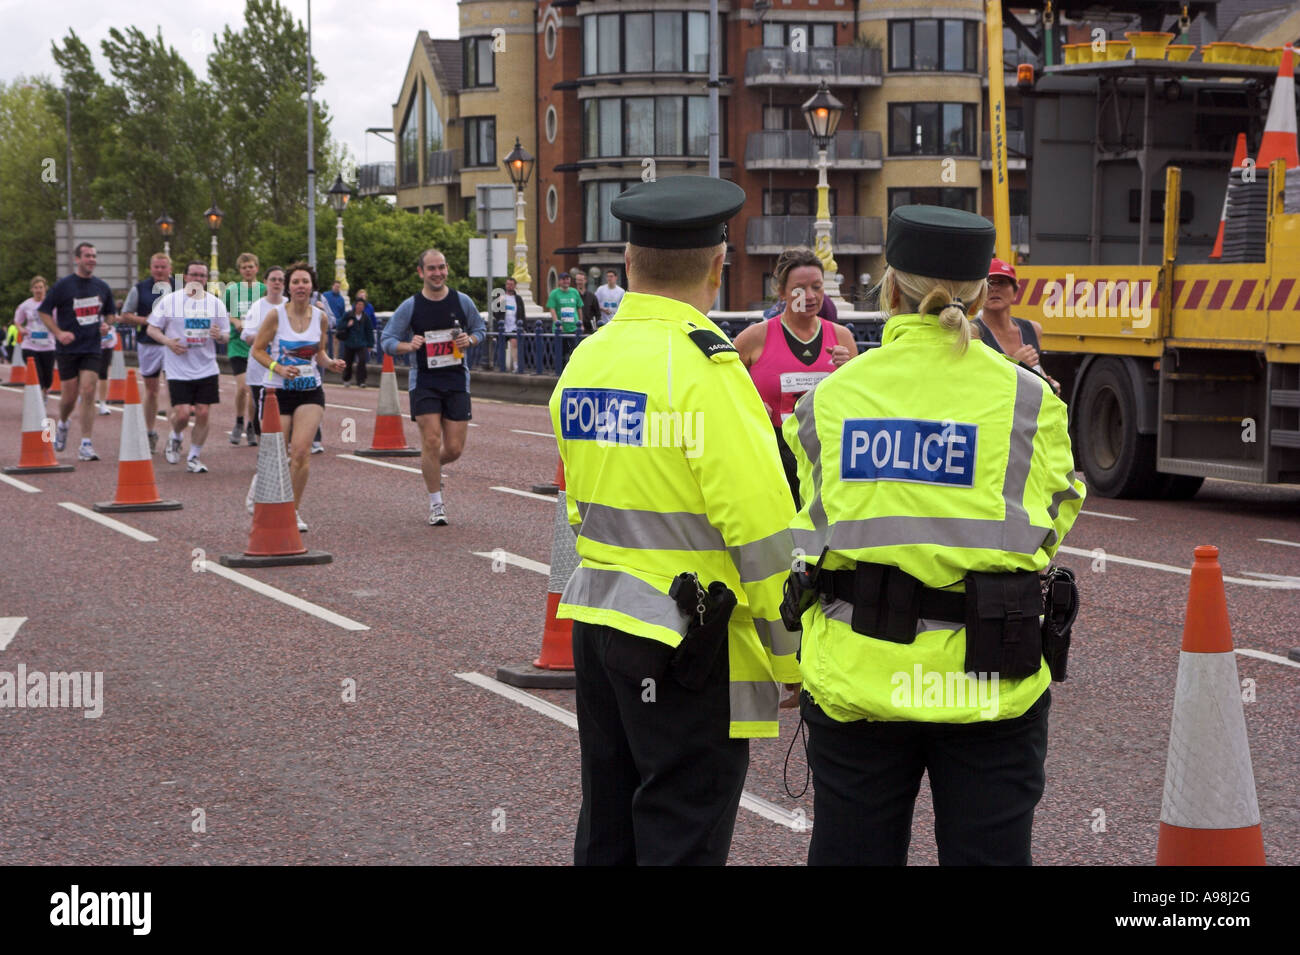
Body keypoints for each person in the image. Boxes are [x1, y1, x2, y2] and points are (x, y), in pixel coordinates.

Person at [781, 205, 1085, 866]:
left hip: (859, 676)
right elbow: (1057, 512)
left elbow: (814, 518)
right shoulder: (1033, 401)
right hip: (990, 675)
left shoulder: (828, 401)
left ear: (889, 288)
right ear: (979, 295)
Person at [550, 175, 800, 865]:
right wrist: (792, 655)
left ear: (628, 264)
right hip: (687, 642)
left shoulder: (585, 360)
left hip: (600, 626)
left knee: (608, 828)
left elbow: (578, 506)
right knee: (681, 833)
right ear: (719, 266)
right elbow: (763, 533)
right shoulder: (708, 371)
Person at [735, 247, 857, 506]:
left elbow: (857, 403)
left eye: (817, 287)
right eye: (800, 289)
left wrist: (848, 369)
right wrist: (751, 404)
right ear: (782, 292)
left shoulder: (842, 337)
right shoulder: (754, 337)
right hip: (773, 455)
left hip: (825, 454)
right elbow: (725, 388)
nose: (810, 296)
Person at [380, 248, 484, 526]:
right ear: (421, 272)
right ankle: (436, 504)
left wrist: (469, 341)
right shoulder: (411, 306)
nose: (437, 273)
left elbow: (480, 330)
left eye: (441, 267)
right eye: (431, 269)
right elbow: (387, 339)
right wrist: (407, 345)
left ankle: (431, 469)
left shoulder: (462, 302)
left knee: (453, 449)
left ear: (446, 269)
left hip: (456, 381)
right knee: (431, 441)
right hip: (424, 381)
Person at [251, 263, 345, 532]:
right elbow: (258, 350)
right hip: (277, 393)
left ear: (312, 287)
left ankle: (292, 510)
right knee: (277, 454)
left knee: (302, 452)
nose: (301, 286)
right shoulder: (275, 316)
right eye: (296, 282)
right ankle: (260, 495)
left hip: (309, 390)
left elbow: (320, 354)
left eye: (305, 281)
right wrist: (278, 368)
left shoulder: (321, 318)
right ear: (289, 288)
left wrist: (331, 364)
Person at [146, 261, 231, 474]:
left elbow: (227, 334)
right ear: (185, 277)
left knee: (203, 412)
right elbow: (151, 329)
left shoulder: (215, 304)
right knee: (183, 414)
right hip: (178, 367)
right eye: (194, 274)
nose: (198, 279)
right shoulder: (170, 301)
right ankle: (175, 437)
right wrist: (168, 342)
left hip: (206, 366)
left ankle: (194, 456)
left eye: (202, 276)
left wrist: (219, 336)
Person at [39, 242, 117, 461]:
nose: (92, 259)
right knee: (69, 397)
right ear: (77, 259)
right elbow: (44, 312)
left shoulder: (102, 287)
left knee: (89, 391)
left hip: (92, 347)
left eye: (94, 256)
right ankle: (62, 423)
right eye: (87, 256)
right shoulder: (63, 286)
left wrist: (107, 325)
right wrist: (58, 332)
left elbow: (111, 314)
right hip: (67, 348)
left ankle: (86, 443)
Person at [975, 258, 1061, 395]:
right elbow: (974, 383)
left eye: (1002, 283)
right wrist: (1015, 364)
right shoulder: (971, 332)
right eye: (989, 283)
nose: (995, 288)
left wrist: (1050, 386)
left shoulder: (1033, 329)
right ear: (978, 292)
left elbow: (1037, 371)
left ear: (1015, 292)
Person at [239, 265, 286, 512]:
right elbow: (247, 337)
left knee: (283, 414)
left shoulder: (290, 306)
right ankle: (263, 448)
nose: (277, 283)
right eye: (273, 279)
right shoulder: (259, 308)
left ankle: (277, 452)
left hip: (284, 372)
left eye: (280, 280)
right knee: (261, 413)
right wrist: (265, 335)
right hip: (260, 370)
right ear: (266, 282)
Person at [120, 253, 174, 452]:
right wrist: (148, 321)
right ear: (151, 268)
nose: (159, 270)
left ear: (170, 268)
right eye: (156, 267)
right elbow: (125, 315)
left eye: (163, 267)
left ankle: (174, 435)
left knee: (174, 390)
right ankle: (149, 431)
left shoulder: (179, 288)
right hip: (148, 344)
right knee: (151, 390)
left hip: (172, 345)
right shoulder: (140, 289)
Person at [224, 252, 268, 445]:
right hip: (237, 344)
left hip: (258, 346)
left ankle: (252, 424)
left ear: (257, 268)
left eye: (251, 266)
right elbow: (226, 313)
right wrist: (236, 322)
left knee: (253, 389)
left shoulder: (264, 289)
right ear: (240, 270)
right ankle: (239, 421)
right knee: (243, 387)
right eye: (244, 267)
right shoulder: (232, 290)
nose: (248, 270)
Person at [14, 276, 55, 397]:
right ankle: (39, 398)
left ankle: (45, 391)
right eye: (36, 287)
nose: (38, 290)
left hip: (48, 345)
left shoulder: (52, 304)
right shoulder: (26, 305)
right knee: (37, 374)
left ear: (45, 288)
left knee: (48, 377)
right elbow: (17, 321)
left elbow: (59, 320)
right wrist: (20, 328)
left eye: (41, 287)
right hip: (30, 345)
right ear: (32, 289)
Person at [491, 276, 526, 372]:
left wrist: (523, 327)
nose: (509, 286)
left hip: (514, 326)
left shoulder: (518, 299)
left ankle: (516, 366)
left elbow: (522, 313)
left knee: (514, 343)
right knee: (501, 346)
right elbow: (494, 312)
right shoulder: (501, 296)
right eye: (508, 284)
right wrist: (498, 301)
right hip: (502, 327)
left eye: (511, 284)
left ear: (515, 286)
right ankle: (501, 366)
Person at [338, 297, 373, 388]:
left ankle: (361, 381)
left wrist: (370, 344)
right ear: (355, 305)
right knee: (348, 362)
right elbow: (339, 325)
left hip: (361, 343)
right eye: (358, 304)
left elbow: (369, 331)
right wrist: (347, 324)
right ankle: (346, 379)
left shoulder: (365, 317)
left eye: (362, 305)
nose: (360, 307)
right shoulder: (348, 315)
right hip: (349, 343)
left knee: (362, 361)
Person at [95, 322, 119, 415]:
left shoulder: (108, 309)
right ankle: (84, 394)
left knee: (103, 373)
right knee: (89, 373)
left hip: (106, 345)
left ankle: (102, 404)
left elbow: (115, 318)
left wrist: (109, 326)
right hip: (89, 342)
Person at [572, 270, 599, 334]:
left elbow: (597, 313)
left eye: (581, 280)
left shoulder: (592, 296)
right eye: (577, 280)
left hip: (589, 329)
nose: (579, 282)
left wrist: (596, 327)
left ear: (585, 281)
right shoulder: (571, 295)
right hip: (574, 328)